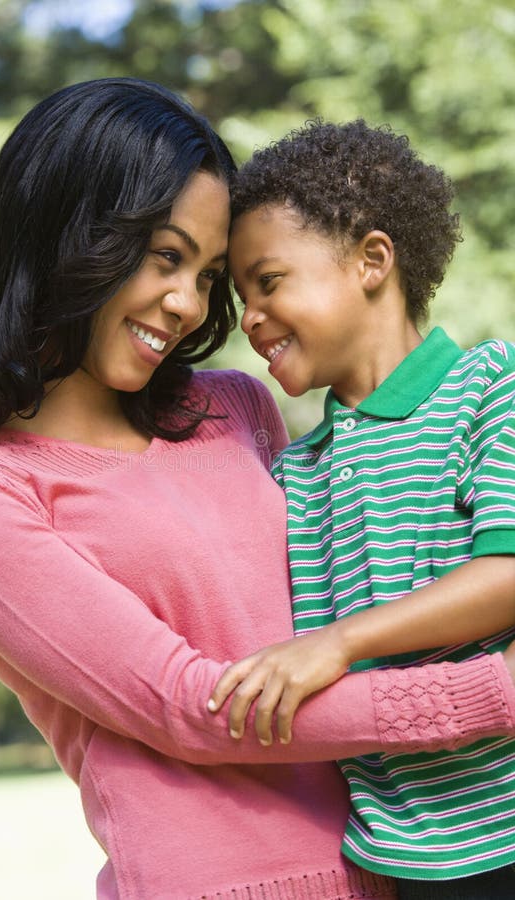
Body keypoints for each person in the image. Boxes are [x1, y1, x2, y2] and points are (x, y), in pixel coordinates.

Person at [0, 82, 514, 900]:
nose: (189, 306)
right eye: (167, 258)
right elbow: (187, 704)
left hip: (397, 865)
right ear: (70, 233)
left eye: (206, 274)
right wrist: (494, 692)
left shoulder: (234, 410)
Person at [212, 119, 515, 898]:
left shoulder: (491, 386)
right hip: (400, 862)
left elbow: (508, 572)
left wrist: (338, 643)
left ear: (372, 260)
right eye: (241, 297)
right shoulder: (293, 474)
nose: (248, 317)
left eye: (268, 281)